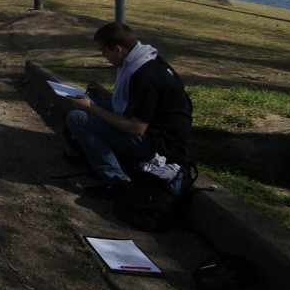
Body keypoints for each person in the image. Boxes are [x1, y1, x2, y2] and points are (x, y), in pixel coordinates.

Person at [64, 22, 193, 199]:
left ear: (118, 49)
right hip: (153, 129)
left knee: (77, 118)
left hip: (159, 146)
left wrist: (91, 108)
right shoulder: (147, 59)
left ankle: (116, 181)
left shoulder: (146, 77)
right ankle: (98, 158)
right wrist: (107, 95)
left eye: (104, 51)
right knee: (93, 99)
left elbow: (136, 128)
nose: (103, 56)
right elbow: (140, 104)